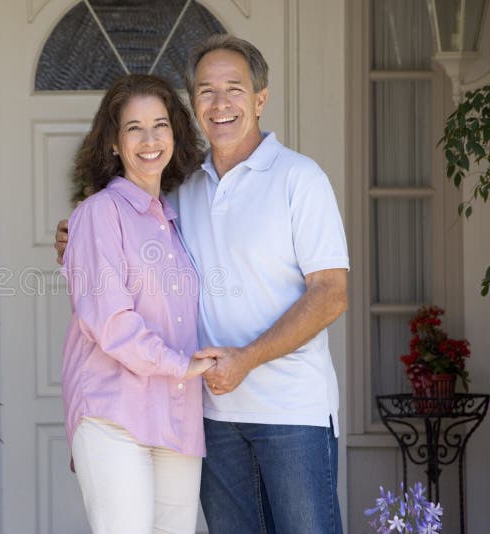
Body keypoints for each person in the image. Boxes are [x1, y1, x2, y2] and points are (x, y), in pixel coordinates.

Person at [56, 35, 349, 534]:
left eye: (234, 88)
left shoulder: (301, 179)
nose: (220, 103)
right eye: (206, 91)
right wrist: (75, 235)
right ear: (193, 105)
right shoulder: (180, 190)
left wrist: (248, 358)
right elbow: (117, 253)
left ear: (260, 97)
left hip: (290, 409)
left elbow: (331, 293)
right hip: (209, 413)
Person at [61, 73, 214, 534]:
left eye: (160, 125)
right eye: (133, 128)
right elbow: (110, 321)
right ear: (112, 141)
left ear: (175, 134)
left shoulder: (175, 219)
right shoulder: (98, 214)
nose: (150, 140)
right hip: (114, 414)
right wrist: (180, 364)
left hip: (177, 417)